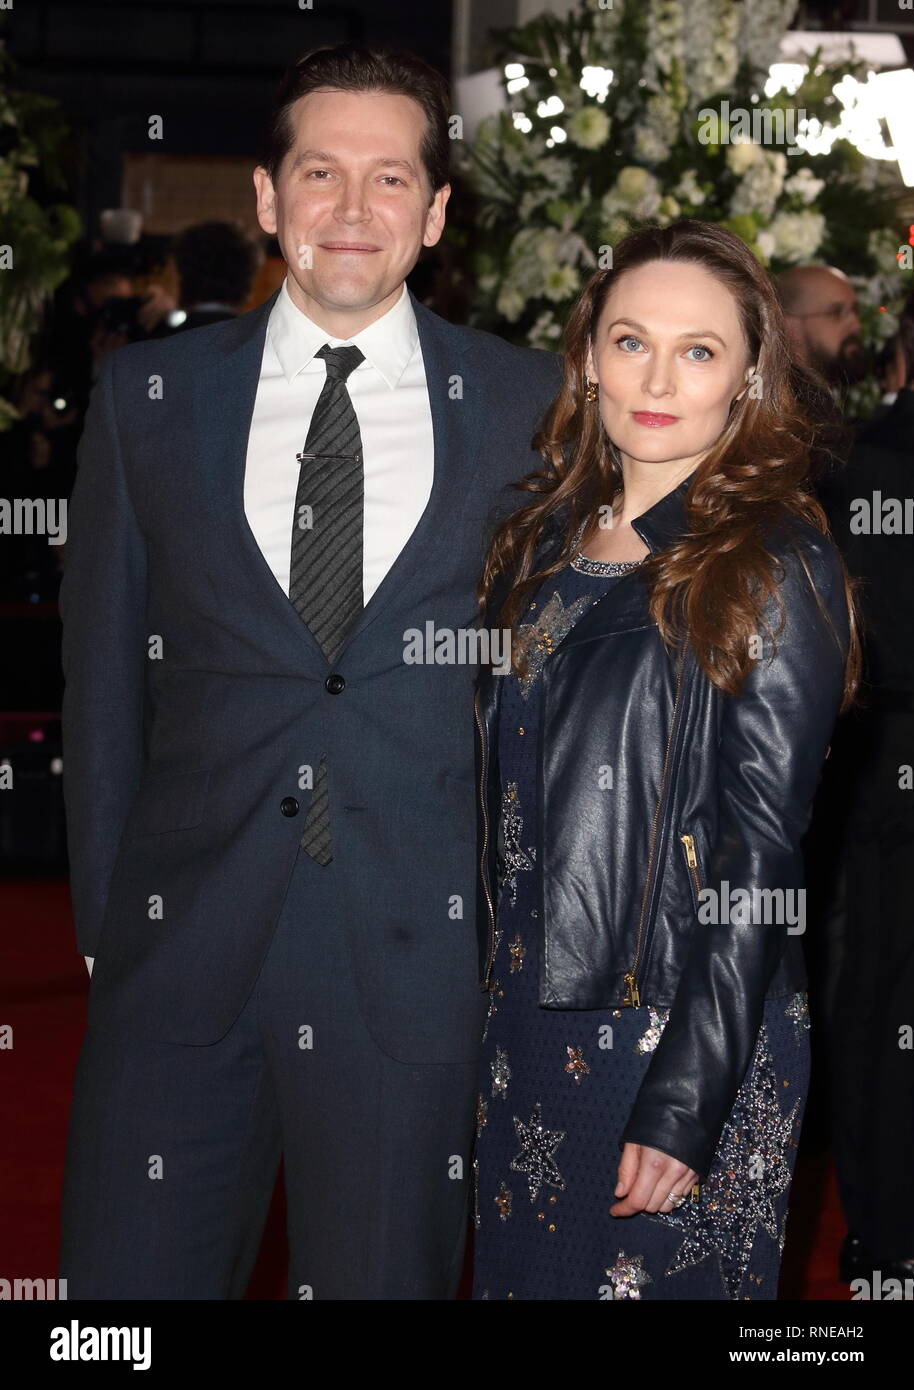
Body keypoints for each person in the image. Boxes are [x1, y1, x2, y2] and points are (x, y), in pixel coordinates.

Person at [56, 43, 562, 1300]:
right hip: (181, 949)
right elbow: (104, 679)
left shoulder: (530, 406)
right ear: (268, 197)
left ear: (435, 215)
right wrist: (106, 925)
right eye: (320, 172)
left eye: (390, 178)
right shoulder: (148, 397)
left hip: (413, 962)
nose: (352, 210)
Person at [470, 220, 861, 1300]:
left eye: (696, 351)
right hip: (522, 1017)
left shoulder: (773, 558)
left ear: (745, 378)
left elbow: (760, 862)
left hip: (670, 1028)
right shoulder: (538, 537)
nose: (655, 378)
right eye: (629, 340)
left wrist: (687, 1098)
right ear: (586, 353)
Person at [821, 290, 914, 1285]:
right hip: (879, 779)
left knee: (878, 1011)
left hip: (878, 784)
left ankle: (884, 1242)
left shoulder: (855, 462)